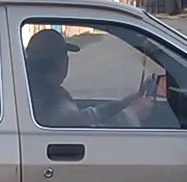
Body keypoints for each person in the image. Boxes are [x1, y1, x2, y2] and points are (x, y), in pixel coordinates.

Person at [23, 28, 154, 128]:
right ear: (61, 63)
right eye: (65, 55)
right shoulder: (53, 105)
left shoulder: (36, 93)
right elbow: (92, 137)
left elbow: (86, 117)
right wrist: (133, 114)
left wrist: (123, 104)